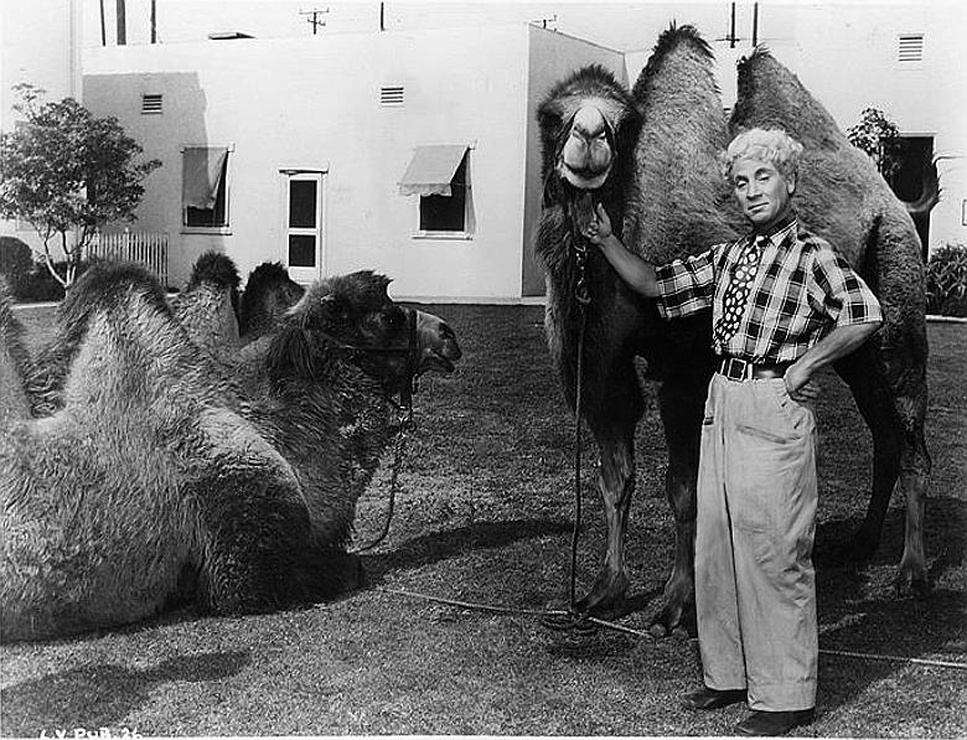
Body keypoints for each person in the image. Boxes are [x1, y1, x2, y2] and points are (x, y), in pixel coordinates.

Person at [583, 127, 883, 737]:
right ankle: (727, 675)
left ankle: (786, 696)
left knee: (774, 549)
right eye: (741, 182)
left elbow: (865, 313)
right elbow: (654, 285)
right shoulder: (730, 257)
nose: (750, 192)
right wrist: (608, 240)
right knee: (715, 545)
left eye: (762, 178)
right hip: (722, 397)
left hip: (775, 402)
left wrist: (806, 364)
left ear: (790, 182)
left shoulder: (812, 253)